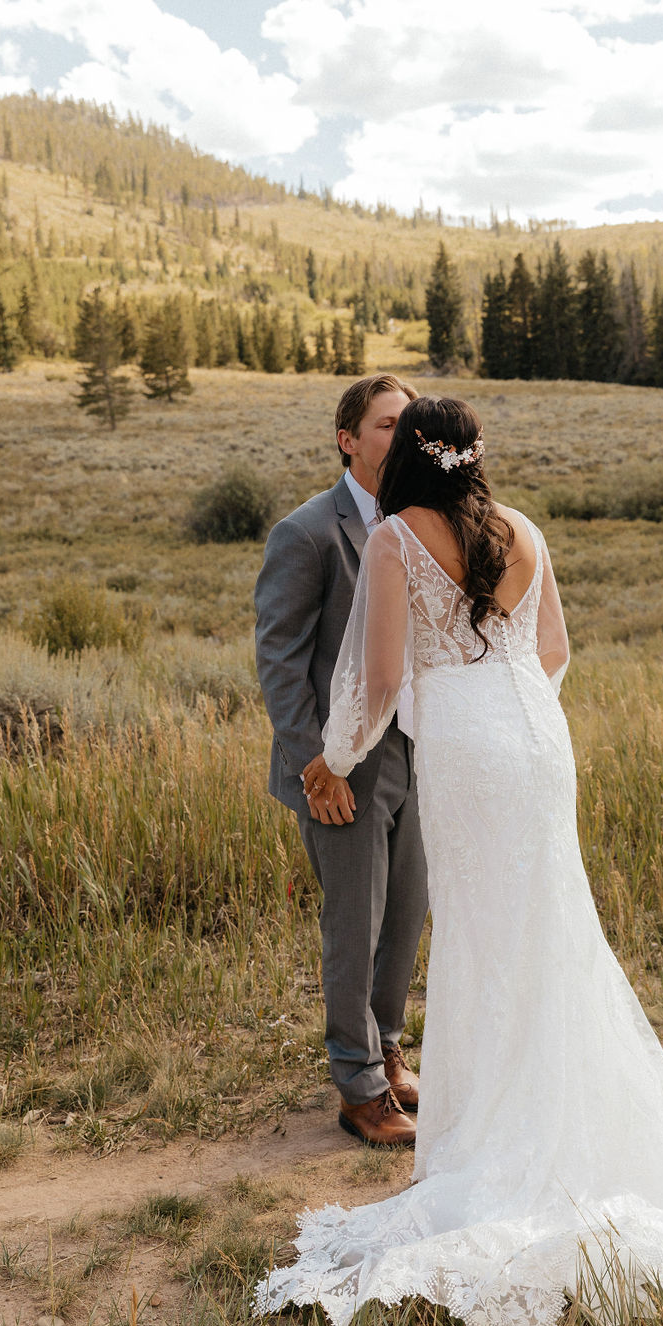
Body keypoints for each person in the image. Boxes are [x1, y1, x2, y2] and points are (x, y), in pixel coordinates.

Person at [257, 395, 663, 1326]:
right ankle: (578, 1123)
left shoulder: (393, 540)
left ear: (415, 462)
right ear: (474, 457)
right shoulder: (525, 530)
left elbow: (381, 682)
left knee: (482, 937)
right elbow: (552, 652)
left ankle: (501, 1139)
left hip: (468, 752)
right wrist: (510, 707)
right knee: (554, 928)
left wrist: (332, 759)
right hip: (538, 744)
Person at [254, 374, 428, 1148]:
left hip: (419, 752)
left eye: (410, 423)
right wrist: (312, 766)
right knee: (353, 924)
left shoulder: (422, 527)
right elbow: (281, 661)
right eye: (388, 424)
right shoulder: (308, 532)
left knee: (406, 914)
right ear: (348, 439)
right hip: (339, 766)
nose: (402, 434)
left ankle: (387, 1050)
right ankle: (358, 1089)